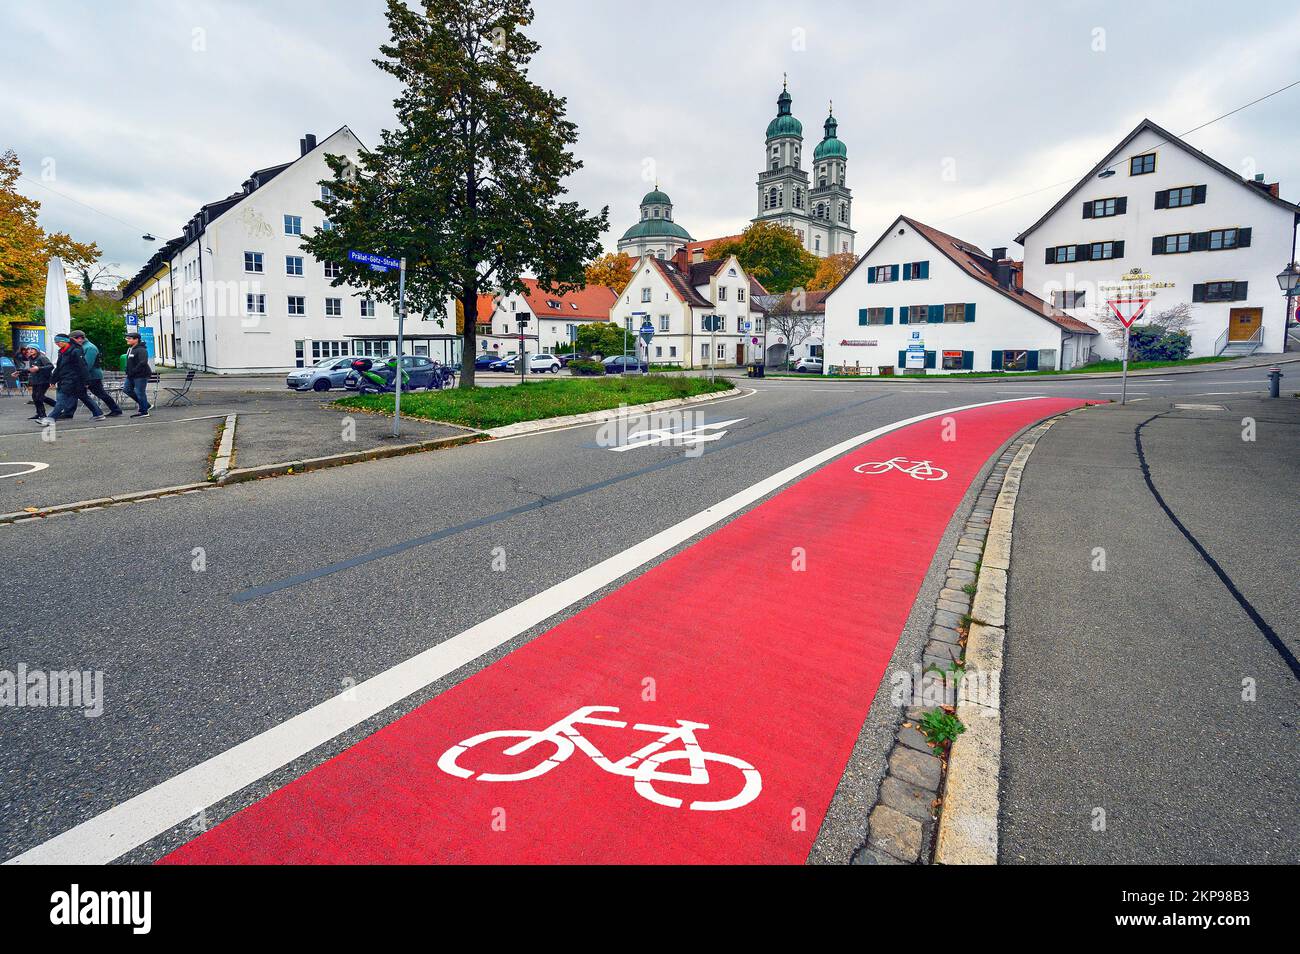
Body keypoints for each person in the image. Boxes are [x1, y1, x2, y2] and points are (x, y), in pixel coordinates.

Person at [40, 333, 103, 424]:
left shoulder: (75, 351)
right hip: (66, 379)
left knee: (62, 398)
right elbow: (59, 367)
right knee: (84, 397)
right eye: (56, 342)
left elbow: (83, 366)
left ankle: (51, 418)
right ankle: (98, 414)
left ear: (65, 341)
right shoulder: (62, 352)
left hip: (73, 380)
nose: (57, 343)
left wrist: (86, 380)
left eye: (59, 341)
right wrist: (53, 379)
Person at [70, 330, 123, 417]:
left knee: (99, 393)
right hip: (90, 375)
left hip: (93, 376)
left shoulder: (89, 348)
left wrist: (80, 376)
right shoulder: (83, 347)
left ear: (79, 338)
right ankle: (113, 410)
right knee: (94, 394)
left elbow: (87, 364)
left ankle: (113, 410)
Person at [122, 330, 151, 417]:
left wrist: (133, 371)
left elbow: (143, 362)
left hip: (140, 375)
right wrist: (128, 370)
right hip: (131, 375)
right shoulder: (131, 349)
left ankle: (144, 412)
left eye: (129, 338)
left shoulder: (141, 350)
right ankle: (146, 405)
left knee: (140, 392)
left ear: (136, 339)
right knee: (126, 389)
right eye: (127, 338)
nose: (127, 339)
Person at [22, 346, 56, 419]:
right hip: (36, 381)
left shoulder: (42, 357)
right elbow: (31, 369)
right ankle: (39, 413)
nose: (30, 351)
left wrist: (39, 368)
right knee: (35, 397)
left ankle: (45, 414)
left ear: (37, 350)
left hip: (44, 380)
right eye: (28, 349)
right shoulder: (31, 358)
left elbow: (50, 366)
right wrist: (19, 372)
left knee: (39, 397)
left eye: (32, 349)